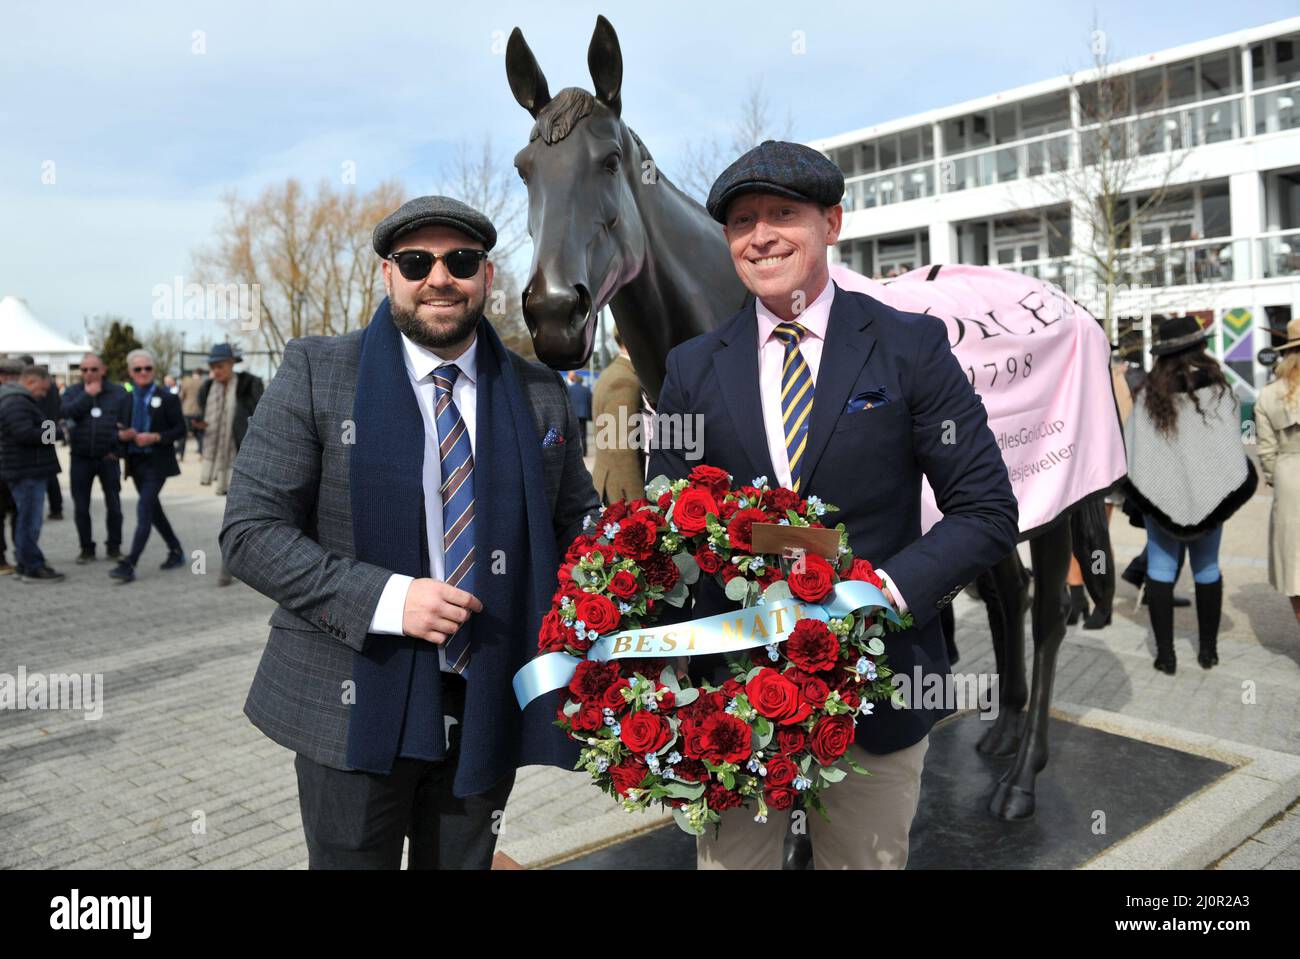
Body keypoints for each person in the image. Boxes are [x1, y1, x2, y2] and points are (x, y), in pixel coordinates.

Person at [647, 141, 1019, 870]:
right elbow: (671, 527)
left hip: (879, 692)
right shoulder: (692, 367)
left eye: (783, 213)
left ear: (832, 222)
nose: (761, 235)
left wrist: (880, 587)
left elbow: (985, 509)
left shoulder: (909, 345)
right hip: (732, 700)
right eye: (742, 221)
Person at [221, 196, 600, 870]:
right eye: (416, 261)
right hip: (354, 699)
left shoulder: (538, 389)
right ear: (387, 275)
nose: (439, 277)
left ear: (487, 276)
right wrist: (391, 600)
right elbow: (251, 533)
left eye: (460, 260)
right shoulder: (317, 371)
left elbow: (577, 525)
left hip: (485, 699)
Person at [1123, 316, 1257, 674]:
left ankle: (1165, 655)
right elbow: (1229, 449)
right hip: (1212, 499)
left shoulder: (1148, 396)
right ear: (1199, 348)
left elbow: (1136, 454)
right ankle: (1208, 652)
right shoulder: (1218, 391)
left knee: (1161, 569)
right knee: (1208, 568)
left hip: (1158, 500)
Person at [108, 349, 187, 584]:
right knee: (154, 510)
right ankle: (176, 550)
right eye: (138, 369)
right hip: (135, 462)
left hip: (157, 462)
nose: (143, 373)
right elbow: (113, 428)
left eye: (147, 368)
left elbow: (180, 430)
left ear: (154, 370)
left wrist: (155, 437)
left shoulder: (168, 398)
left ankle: (130, 563)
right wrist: (122, 435)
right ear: (131, 372)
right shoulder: (125, 398)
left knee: (144, 509)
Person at [60, 352, 130, 563]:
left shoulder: (118, 392)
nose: (89, 373)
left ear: (103, 370)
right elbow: (64, 413)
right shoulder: (73, 392)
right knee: (81, 506)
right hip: (81, 457)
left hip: (108, 458)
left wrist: (117, 450)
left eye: (93, 369)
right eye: (84, 370)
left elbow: (126, 424)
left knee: (114, 505)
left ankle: (114, 547)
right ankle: (86, 548)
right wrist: (87, 395)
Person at [0, 365, 65, 582]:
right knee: (29, 521)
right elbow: (24, 433)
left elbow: (42, 422)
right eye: (43, 390)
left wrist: (49, 427)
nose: (43, 395)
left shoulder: (23, 401)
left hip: (28, 468)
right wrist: (55, 432)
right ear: (31, 382)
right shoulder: (16, 402)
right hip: (26, 470)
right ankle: (32, 566)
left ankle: (24, 563)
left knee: (26, 519)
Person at [1255, 317, 1300, 625]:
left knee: (1294, 564)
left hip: (1290, 478)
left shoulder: (1269, 393)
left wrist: (1275, 476)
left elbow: (1266, 452)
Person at [196, 344, 263, 497]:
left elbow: (260, 415)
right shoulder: (207, 388)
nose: (216, 371)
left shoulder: (249, 384)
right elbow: (201, 413)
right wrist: (199, 425)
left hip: (244, 449)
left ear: (232, 363)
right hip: (215, 446)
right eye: (213, 367)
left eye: (220, 366)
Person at [591, 328, 645, 504]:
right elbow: (622, 449)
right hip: (620, 490)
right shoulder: (625, 380)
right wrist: (639, 502)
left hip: (610, 482)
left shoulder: (613, 372)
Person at [17, 355, 64, 521]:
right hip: (47, 425)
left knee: (48, 469)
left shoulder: (43, 385)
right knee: (49, 469)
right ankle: (56, 507)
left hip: (43, 427)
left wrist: (50, 432)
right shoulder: (46, 384)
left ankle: (56, 507)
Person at [0, 358, 21, 574]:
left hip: (18, 464)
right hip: (18, 465)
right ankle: (23, 556)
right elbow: (48, 423)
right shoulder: (18, 398)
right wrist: (51, 437)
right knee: (20, 512)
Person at [566, 370, 592, 455]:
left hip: (573, 414)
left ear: (575, 380)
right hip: (583, 414)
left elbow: (568, 402)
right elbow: (590, 402)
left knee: (574, 433)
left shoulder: (570, 389)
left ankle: (576, 452)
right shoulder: (586, 390)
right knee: (583, 434)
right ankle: (585, 452)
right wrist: (590, 416)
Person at [180, 368, 205, 458]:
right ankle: (201, 452)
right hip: (199, 411)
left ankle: (181, 454)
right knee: (199, 433)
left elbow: (182, 396)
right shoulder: (203, 383)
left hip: (187, 410)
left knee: (183, 434)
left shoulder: (186, 382)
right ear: (201, 374)